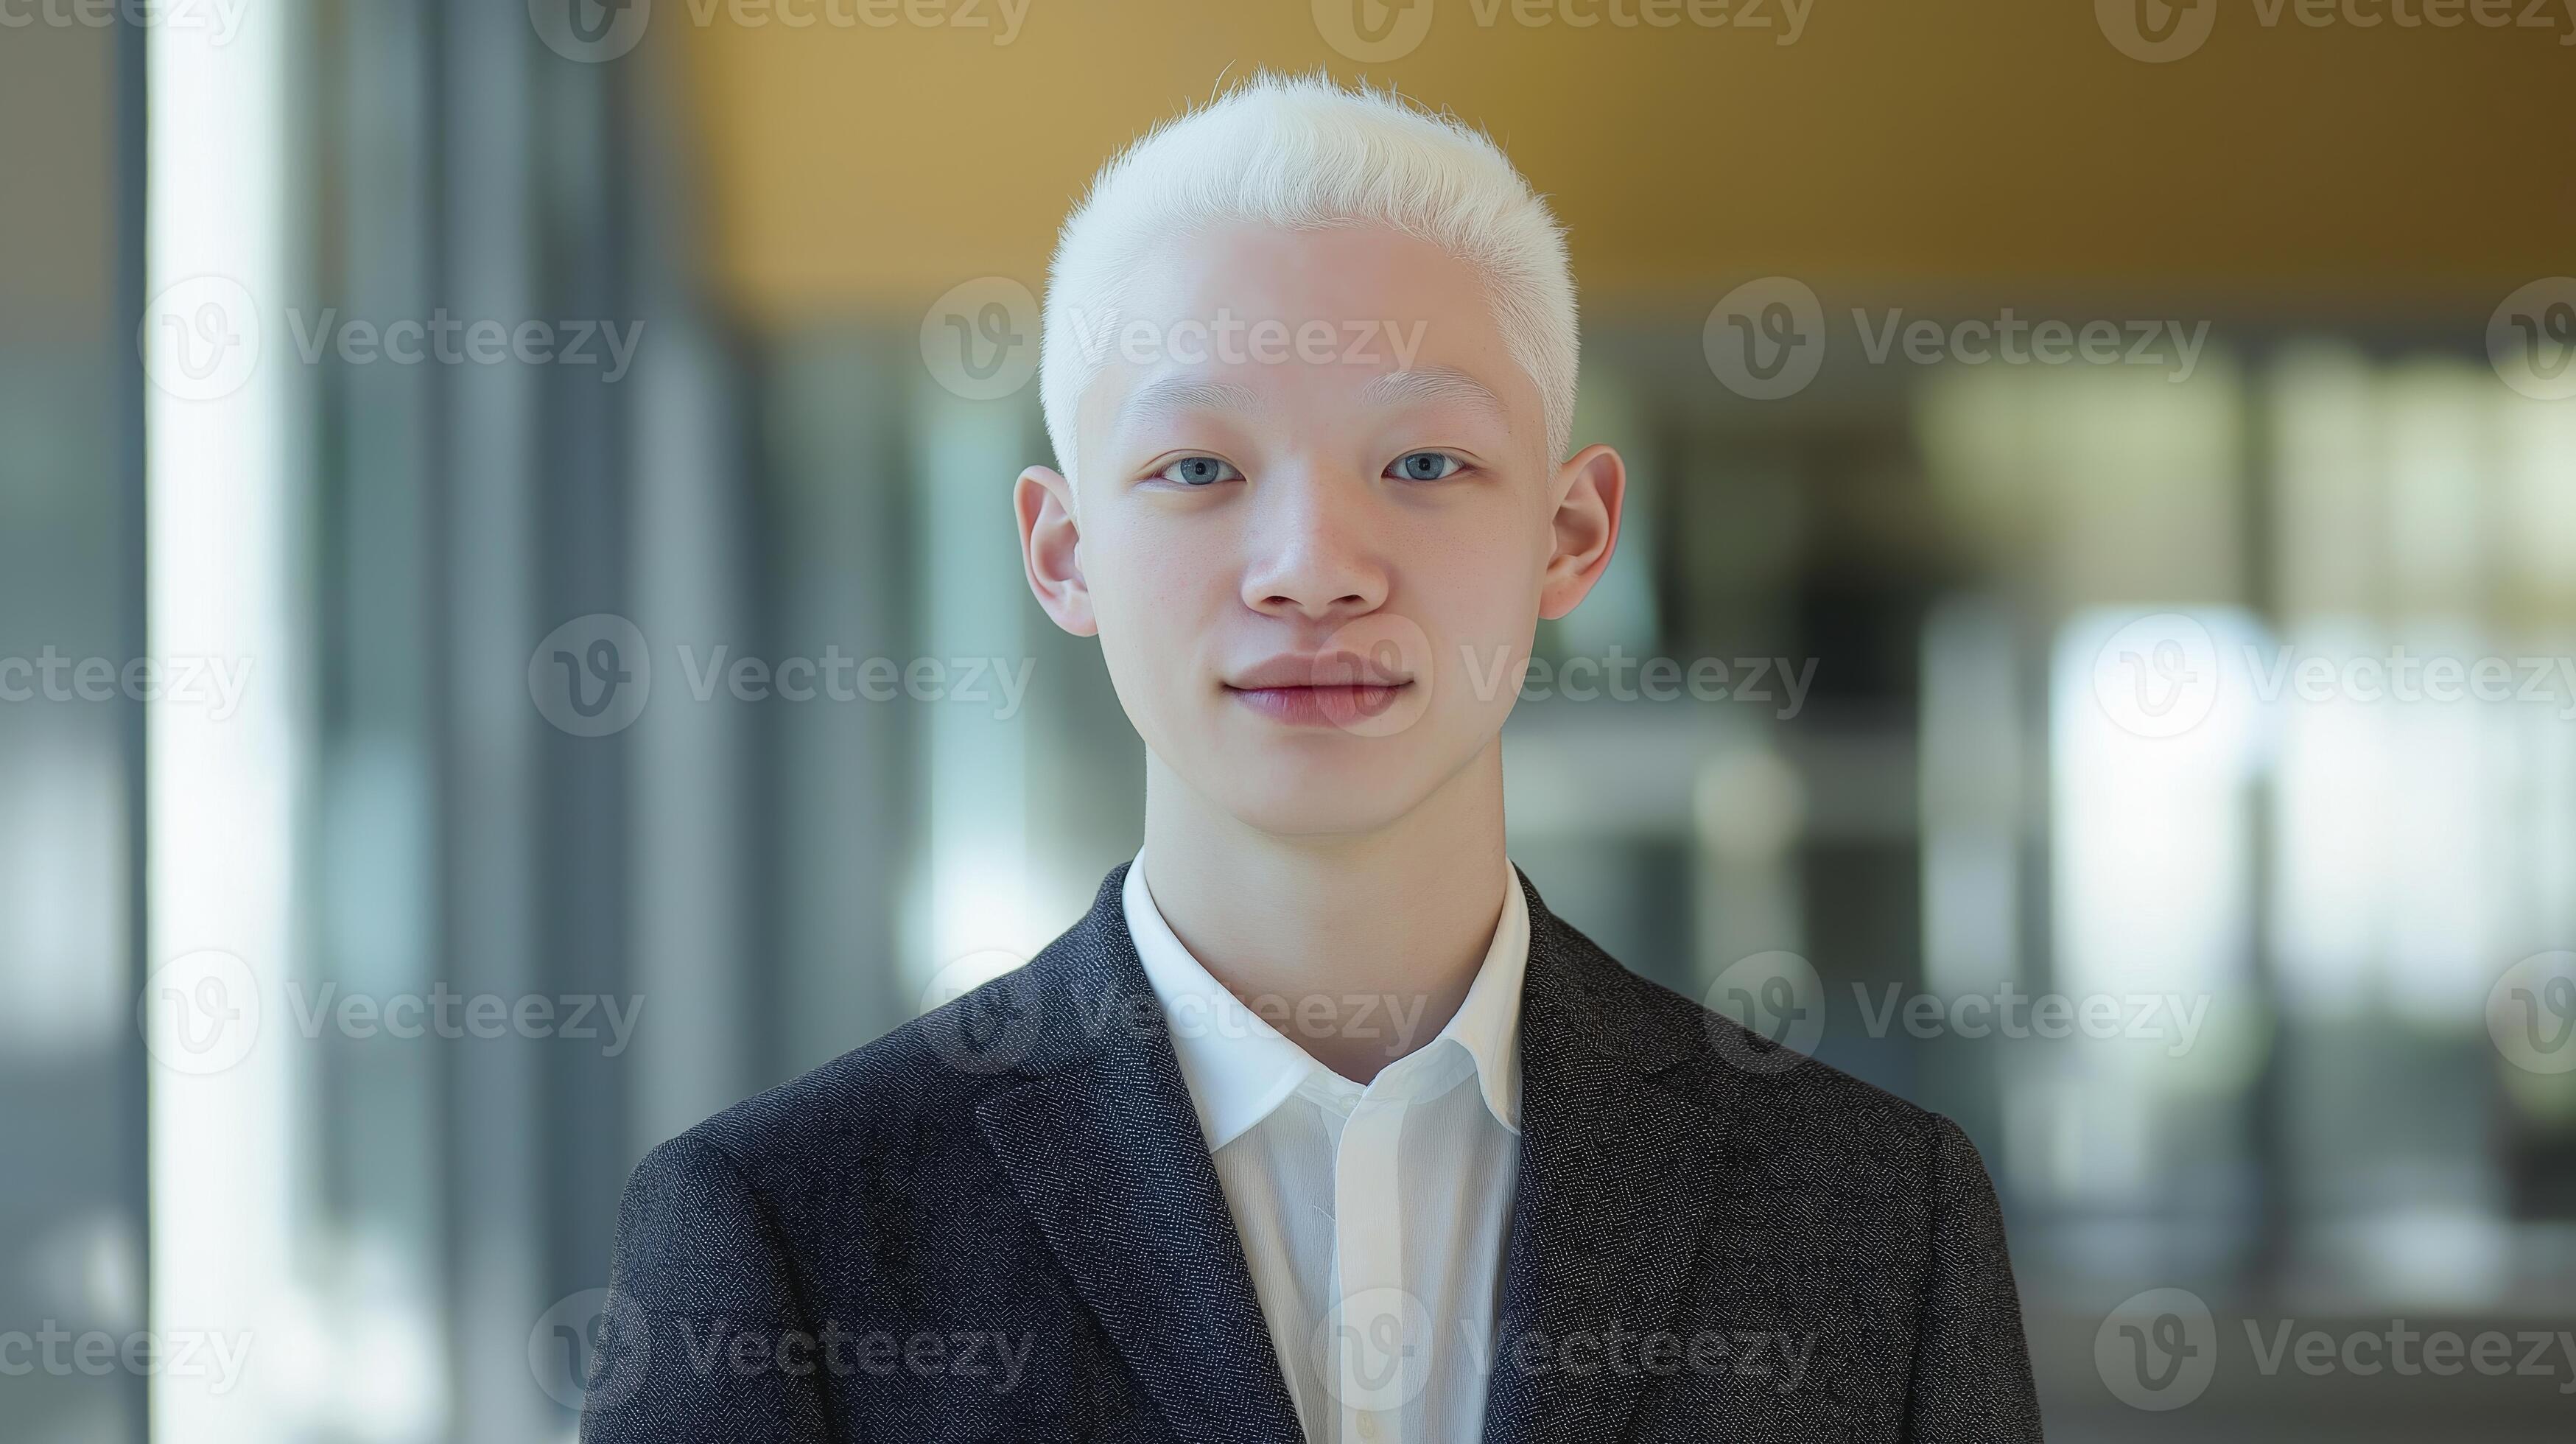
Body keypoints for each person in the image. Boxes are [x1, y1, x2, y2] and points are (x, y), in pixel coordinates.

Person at [583, 70, 2041, 1443]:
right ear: (1064, 549)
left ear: (1571, 531)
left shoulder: (1874, 1215)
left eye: (1421, 463)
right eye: (1199, 470)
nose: (1311, 569)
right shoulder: (781, 1229)